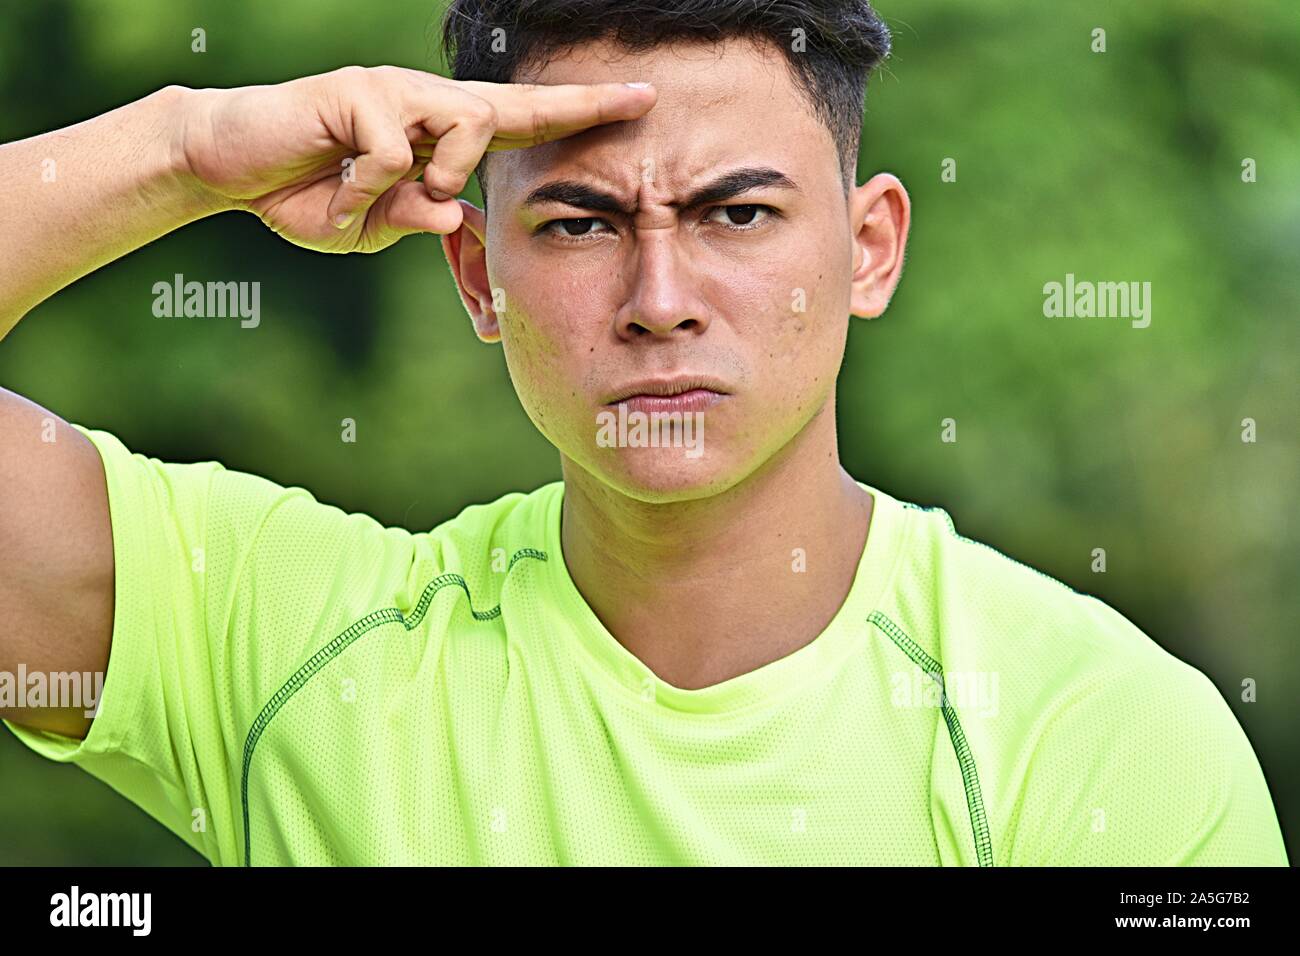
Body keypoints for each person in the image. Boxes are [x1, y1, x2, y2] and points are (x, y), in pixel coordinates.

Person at [0, 0, 1287, 866]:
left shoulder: (1099, 735)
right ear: (475, 276)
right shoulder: (293, 642)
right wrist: (189, 146)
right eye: (578, 224)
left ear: (870, 247)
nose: (659, 301)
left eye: (736, 216)